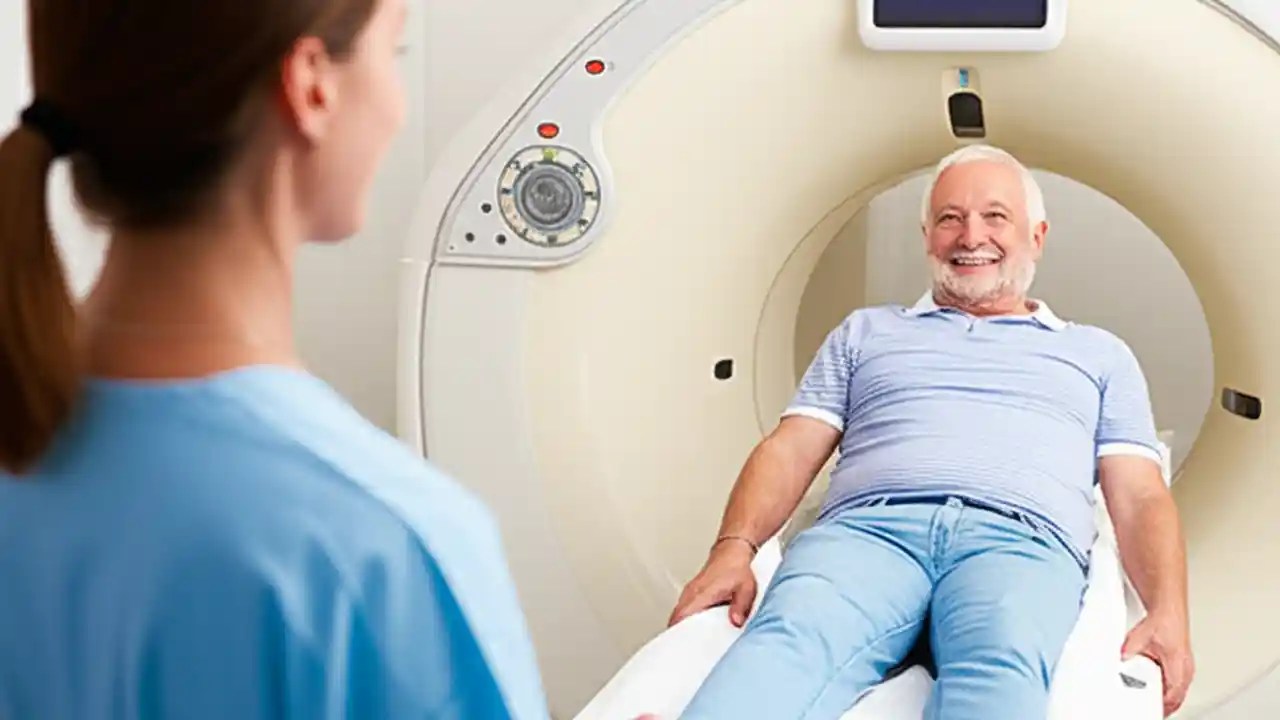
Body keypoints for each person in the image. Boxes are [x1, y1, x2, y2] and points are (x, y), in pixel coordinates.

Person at [0, 1, 551, 718]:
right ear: (311, 85)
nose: (394, 104)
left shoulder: (27, 447)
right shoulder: (379, 547)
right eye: (394, 55)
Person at [667, 145, 1195, 719]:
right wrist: (732, 551)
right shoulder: (866, 332)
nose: (971, 236)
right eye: (950, 218)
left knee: (1003, 664)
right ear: (927, 236)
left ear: (1036, 236)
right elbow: (791, 447)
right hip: (868, 534)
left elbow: (1140, 494)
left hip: (1019, 544)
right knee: (791, 637)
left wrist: (1168, 611)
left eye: (996, 217)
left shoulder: (1097, 355)